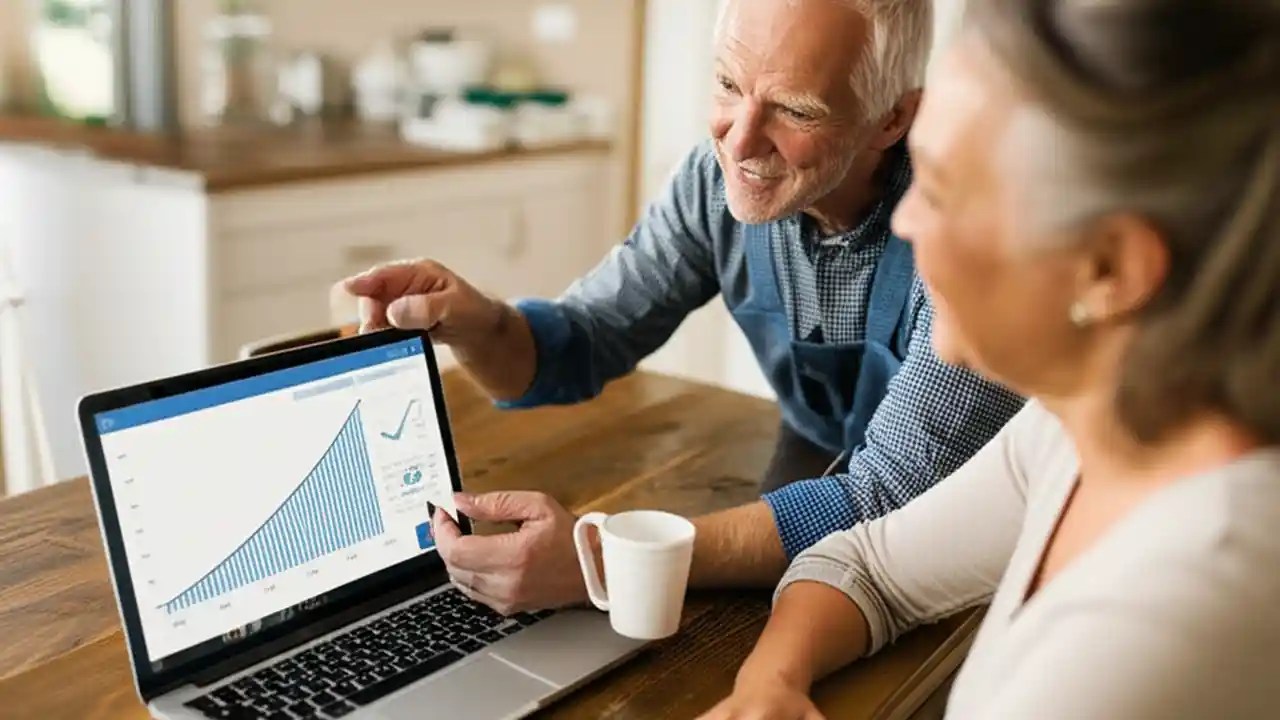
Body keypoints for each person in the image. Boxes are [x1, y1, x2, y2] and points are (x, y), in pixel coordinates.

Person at [340, 0, 1024, 614]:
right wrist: (479, 324)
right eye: (727, 84)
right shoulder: (711, 184)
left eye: (795, 110)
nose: (739, 139)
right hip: (814, 460)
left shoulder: (966, 232)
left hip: (971, 527)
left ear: (894, 118)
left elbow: (895, 499)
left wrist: (608, 562)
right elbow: (580, 342)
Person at [701, 0, 1280, 717]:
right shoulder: (1076, 429)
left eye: (942, 192)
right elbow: (866, 563)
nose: (905, 221)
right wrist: (769, 687)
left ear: (1110, 269)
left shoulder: (1174, 614)